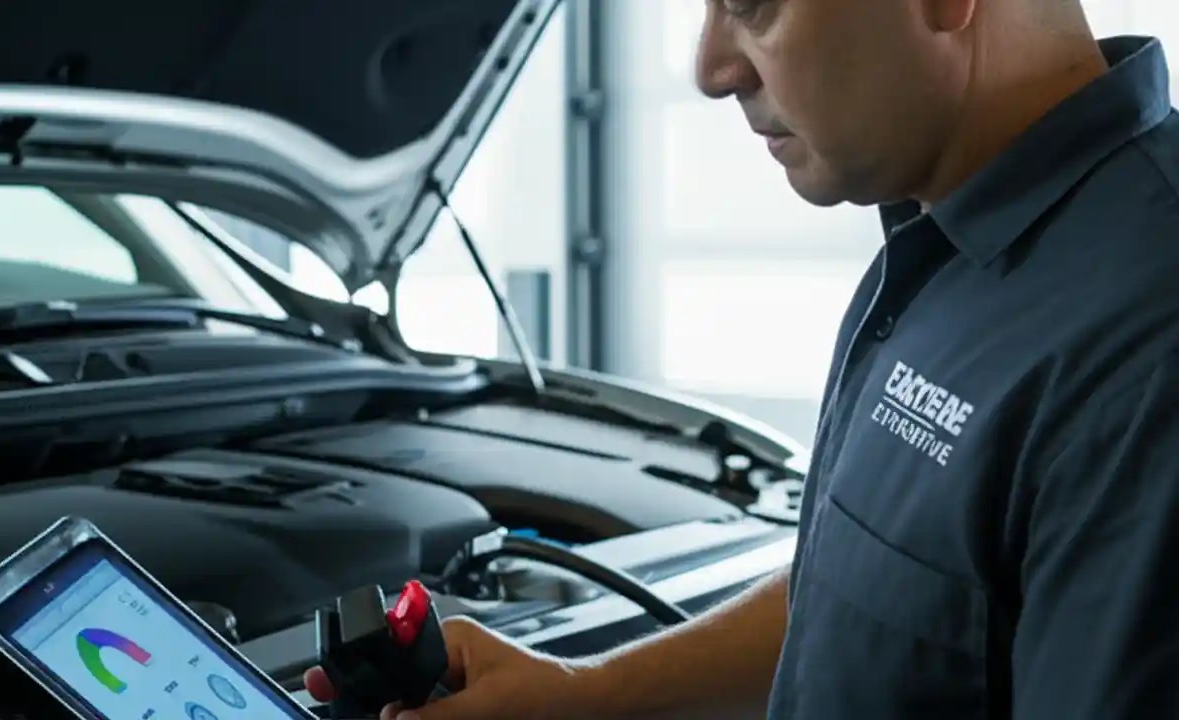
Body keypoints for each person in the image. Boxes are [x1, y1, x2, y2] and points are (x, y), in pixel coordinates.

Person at [306, 0, 1179, 717]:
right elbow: (876, 591)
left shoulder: (1145, 357)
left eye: (753, 6)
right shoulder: (946, 237)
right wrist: (586, 697)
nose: (710, 68)